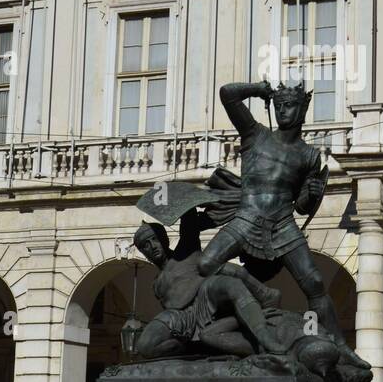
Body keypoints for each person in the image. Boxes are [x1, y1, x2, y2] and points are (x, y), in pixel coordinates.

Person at [197, 81, 345, 344]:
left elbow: (302, 207)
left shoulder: (310, 156)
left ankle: (341, 345)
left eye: (289, 106)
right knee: (207, 263)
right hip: (246, 217)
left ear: (302, 109)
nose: (282, 111)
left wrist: (310, 194)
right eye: (278, 106)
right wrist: (258, 90)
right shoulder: (255, 134)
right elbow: (227, 94)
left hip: (282, 223)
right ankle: (260, 293)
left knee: (314, 283)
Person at [133, 214, 285, 359]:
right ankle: (189, 349)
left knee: (229, 284)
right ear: (143, 252)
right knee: (145, 346)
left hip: (205, 293)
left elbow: (189, 220)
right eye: (145, 245)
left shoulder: (185, 251)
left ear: (164, 239)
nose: (152, 246)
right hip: (180, 317)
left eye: (155, 239)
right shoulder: (157, 284)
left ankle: (265, 338)